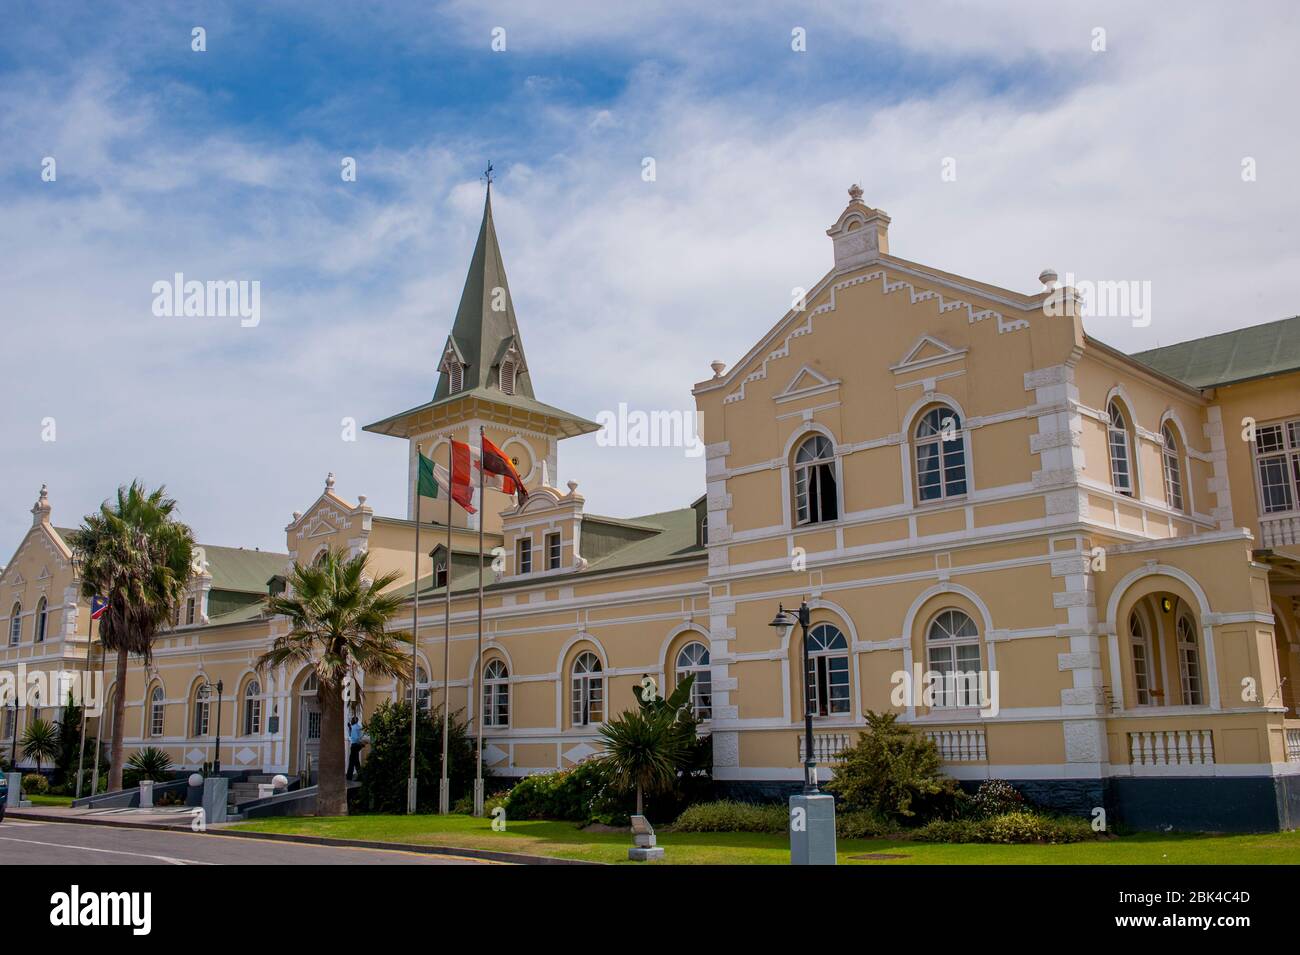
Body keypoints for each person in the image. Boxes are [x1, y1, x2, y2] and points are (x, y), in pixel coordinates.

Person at [346, 716, 366, 781]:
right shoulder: (358, 727)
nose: (351, 721)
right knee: (356, 761)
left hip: (355, 745)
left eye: (352, 720)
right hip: (357, 745)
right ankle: (361, 775)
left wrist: (350, 727)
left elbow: (352, 737)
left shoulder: (354, 727)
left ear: (354, 721)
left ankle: (349, 776)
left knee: (352, 761)